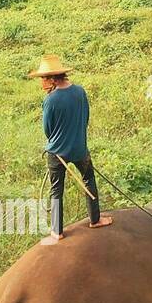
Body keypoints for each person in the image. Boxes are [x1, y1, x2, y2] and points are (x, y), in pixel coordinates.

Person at [29, 54, 112, 246]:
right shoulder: (80, 92)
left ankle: (56, 232)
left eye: (43, 78)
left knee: (56, 190)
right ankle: (95, 219)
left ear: (52, 78)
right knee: (89, 180)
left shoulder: (51, 99)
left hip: (57, 153)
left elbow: (47, 129)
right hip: (80, 150)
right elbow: (86, 118)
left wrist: (57, 141)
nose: (41, 82)